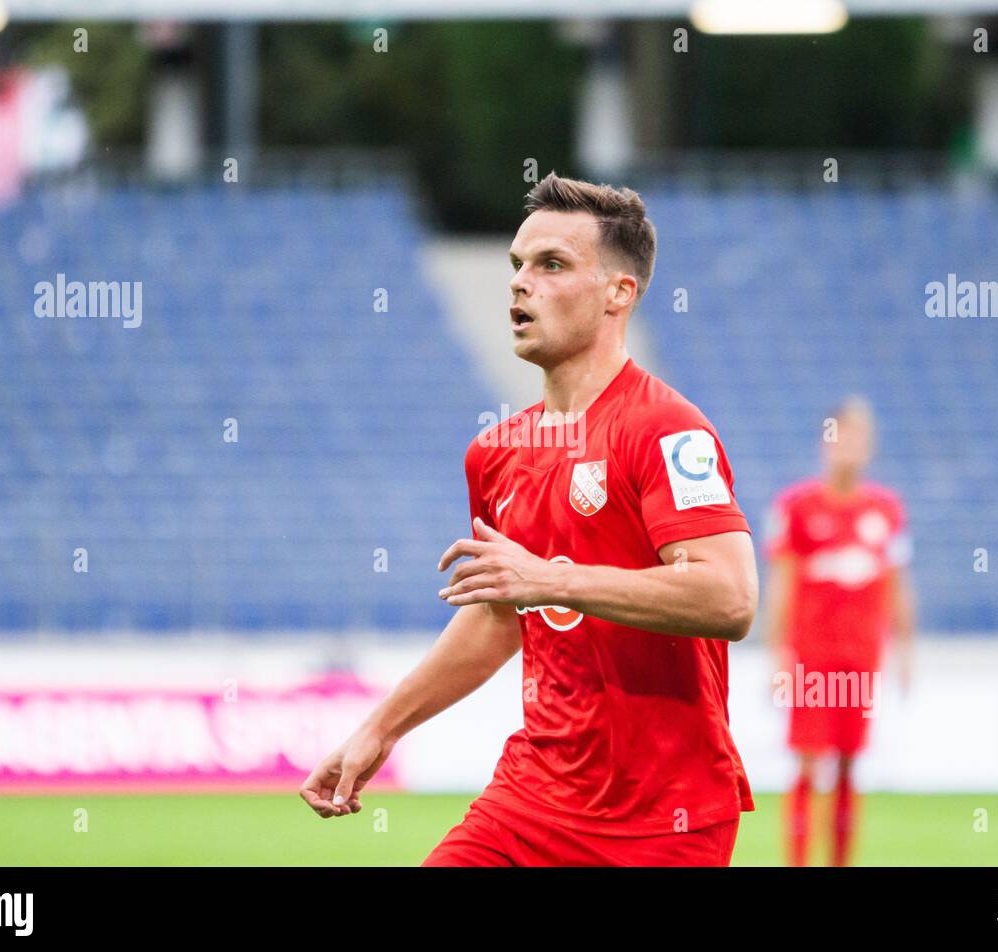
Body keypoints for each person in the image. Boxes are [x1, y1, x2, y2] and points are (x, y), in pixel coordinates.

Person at [300, 172, 759, 866]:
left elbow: (729, 597)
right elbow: (501, 614)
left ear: (619, 293)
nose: (520, 283)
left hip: (663, 820)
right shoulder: (496, 452)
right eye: (518, 264)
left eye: (552, 265)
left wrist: (554, 580)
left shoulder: (665, 429)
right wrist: (382, 729)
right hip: (532, 804)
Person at [763, 397, 915, 866]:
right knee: (810, 763)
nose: (850, 446)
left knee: (850, 766)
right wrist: (777, 660)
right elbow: (781, 588)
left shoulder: (886, 511)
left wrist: (906, 653)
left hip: (862, 658)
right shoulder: (797, 507)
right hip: (812, 659)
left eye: (859, 437)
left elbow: (897, 587)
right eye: (841, 435)